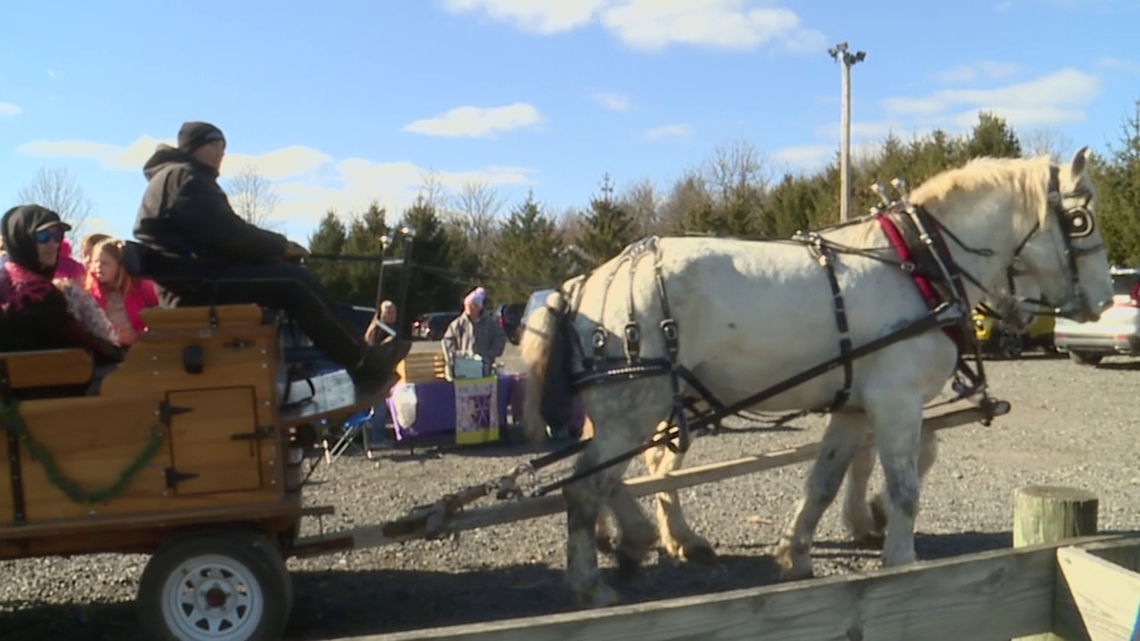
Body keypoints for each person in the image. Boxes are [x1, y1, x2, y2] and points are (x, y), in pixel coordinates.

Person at [132, 120, 408, 387]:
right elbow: (229, 235)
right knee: (295, 283)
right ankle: (361, 363)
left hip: (195, 278)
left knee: (296, 278)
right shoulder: (184, 177)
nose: (221, 153)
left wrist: (273, 254)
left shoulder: (179, 176)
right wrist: (280, 246)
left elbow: (222, 236)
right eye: (214, 146)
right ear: (194, 147)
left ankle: (361, 356)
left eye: (223, 147)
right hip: (194, 285)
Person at [0, 205, 124, 395]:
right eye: (42, 237)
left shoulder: (7, 281)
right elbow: (81, 343)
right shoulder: (38, 295)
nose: (53, 244)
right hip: (46, 395)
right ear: (21, 240)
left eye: (57, 235)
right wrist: (118, 352)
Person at [86, 237, 160, 346]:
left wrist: (137, 335)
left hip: (140, 348)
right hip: (107, 350)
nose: (98, 267)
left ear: (120, 266)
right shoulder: (90, 294)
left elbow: (160, 323)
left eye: (105, 263)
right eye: (96, 262)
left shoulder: (143, 289)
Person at [440, 286, 507, 377]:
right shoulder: (457, 324)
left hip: (485, 367)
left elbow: (500, 338)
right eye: (466, 306)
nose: (468, 308)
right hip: (462, 367)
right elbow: (447, 340)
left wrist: (490, 354)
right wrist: (456, 354)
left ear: (478, 307)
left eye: (471, 305)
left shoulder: (491, 323)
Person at [364, 300, 398, 453]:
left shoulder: (387, 328)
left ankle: (380, 436)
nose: (392, 315)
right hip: (375, 375)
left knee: (381, 407)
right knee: (379, 407)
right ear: (382, 313)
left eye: (394, 312)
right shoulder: (378, 329)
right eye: (389, 312)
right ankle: (377, 439)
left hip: (383, 373)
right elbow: (373, 352)